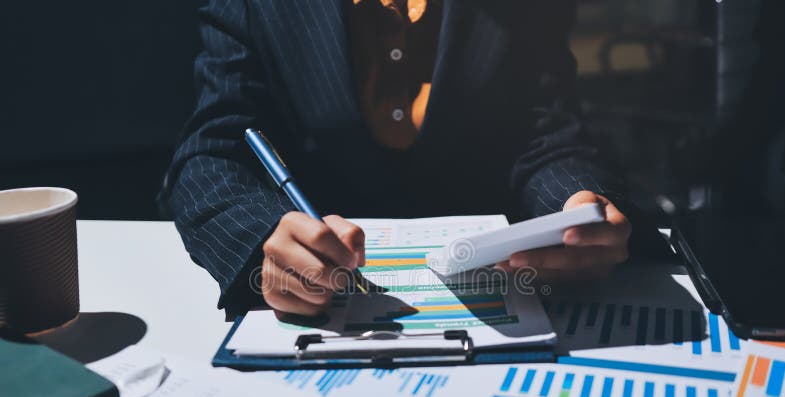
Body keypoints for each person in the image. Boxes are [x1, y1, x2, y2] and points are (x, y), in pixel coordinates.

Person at [161, 0, 632, 318]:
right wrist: (263, 240)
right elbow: (211, 154)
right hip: (329, 309)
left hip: (502, 301)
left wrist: (576, 206)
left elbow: (547, 134)